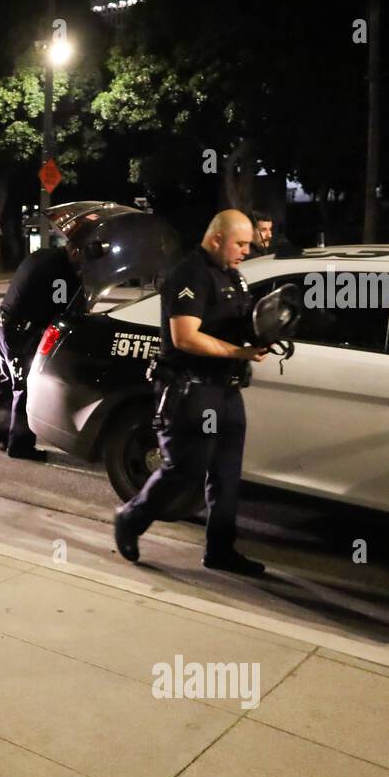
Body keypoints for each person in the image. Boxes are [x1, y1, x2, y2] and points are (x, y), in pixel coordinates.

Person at [114, 209, 269, 576]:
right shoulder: (190, 274)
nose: (248, 250)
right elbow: (186, 337)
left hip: (226, 390)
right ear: (217, 239)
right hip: (192, 391)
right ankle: (130, 519)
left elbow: (240, 322)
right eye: (241, 243)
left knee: (227, 476)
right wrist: (237, 352)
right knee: (184, 472)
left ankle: (220, 550)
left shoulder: (231, 275)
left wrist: (267, 332)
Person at [0, 237, 86, 461]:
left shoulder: (41, 256)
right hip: (21, 334)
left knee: (5, 382)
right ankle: (19, 446)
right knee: (25, 388)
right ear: (74, 251)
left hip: (3, 326)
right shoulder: (61, 270)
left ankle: (0, 433)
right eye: (82, 256)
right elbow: (61, 309)